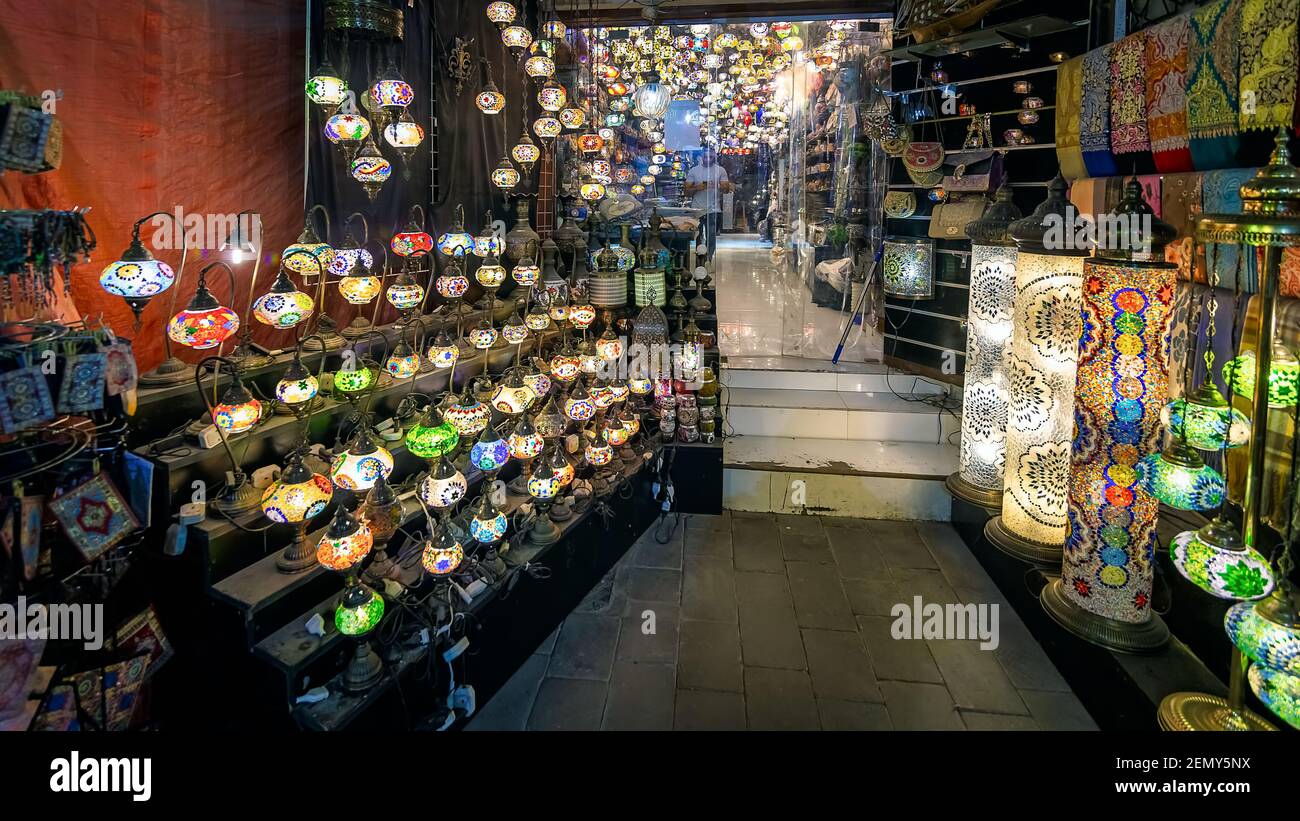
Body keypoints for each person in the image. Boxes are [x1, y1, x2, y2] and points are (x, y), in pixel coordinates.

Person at [683, 149, 732, 257]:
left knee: (711, 235)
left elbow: (726, 190)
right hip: (697, 209)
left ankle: (709, 258)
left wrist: (717, 185)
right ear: (702, 157)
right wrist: (697, 187)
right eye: (706, 156)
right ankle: (700, 257)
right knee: (698, 235)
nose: (709, 159)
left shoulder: (720, 170)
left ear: (715, 157)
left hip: (714, 208)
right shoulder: (694, 171)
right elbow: (686, 191)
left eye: (711, 157)